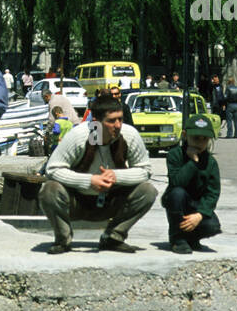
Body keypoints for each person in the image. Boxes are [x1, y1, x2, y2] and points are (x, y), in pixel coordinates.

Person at [38, 95, 158, 254]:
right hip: (77, 201)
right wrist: (89, 181)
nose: (118, 125)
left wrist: (116, 176)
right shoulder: (79, 135)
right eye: (111, 121)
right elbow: (52, 169)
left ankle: (114, 237)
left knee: (148, 191)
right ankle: (63, 239)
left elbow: (145, 170)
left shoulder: (129, 135)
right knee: (49, 190)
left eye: (120, 119)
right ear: (96, 121)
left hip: (112, 200)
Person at [163, 115, 222, 254]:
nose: (200, 143)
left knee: (213, 226)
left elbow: (212, 193)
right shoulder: (175, 155)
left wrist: (200, 214)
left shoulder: (211, 162)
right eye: (196, 138)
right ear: (185, 135)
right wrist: (193, 162)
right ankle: (177, 238)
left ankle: (191, 238)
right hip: (178, 202)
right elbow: (177, 182)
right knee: (177, 193)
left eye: (204, 139)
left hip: (197, 206)